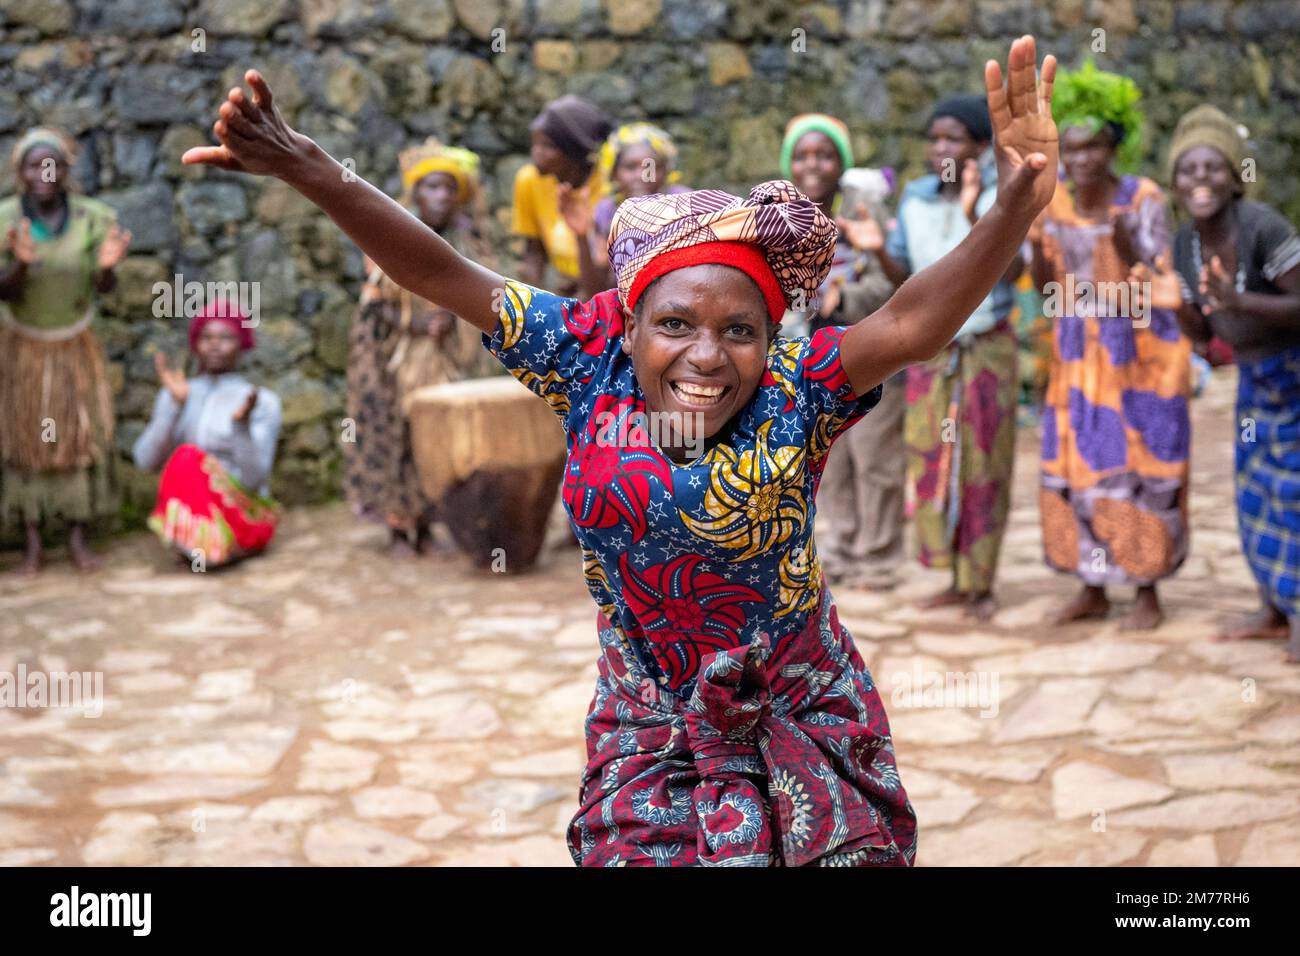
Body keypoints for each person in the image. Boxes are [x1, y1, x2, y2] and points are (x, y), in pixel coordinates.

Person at [183, 34, 1060, 865]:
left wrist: (1017, 200)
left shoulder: (802, 386)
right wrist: (311, 168)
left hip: (796, 706)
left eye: (739, 329)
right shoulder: (582, 360)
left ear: (771, 335)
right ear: (629, 324)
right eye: (675, 324)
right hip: (651, 721)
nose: (708, 356)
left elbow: (911, 321)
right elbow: (441, 271)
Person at [1134, 104, 1300, 661]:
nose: (1200, 180)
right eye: (1188, 170)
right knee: (1254, 492)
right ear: (1175, 183)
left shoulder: (1263, 228)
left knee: (1294, 493)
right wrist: (1177, 303)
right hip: (1255, 381)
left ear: (1235, 177)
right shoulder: (1184, 244)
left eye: (1212, 168)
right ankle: (1274, 607)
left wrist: (1240, 300)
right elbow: (1205, 338)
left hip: (1292, 374)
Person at [1029, 61, 1190, 630]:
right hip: (1076, 353)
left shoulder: (1142, 196)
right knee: (1079, 462)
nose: (1081, 160)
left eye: (1093, 147)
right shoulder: (1055, 202)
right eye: (1071, 150)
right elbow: (1044, 283)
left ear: (1113, 145)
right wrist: (1029, 234)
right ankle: (1091, 584)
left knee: (1141, 460)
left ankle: (1147, 589)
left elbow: (1158, 276)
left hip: (1136, 351)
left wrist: (1123, 245)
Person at [881, 95, 1023, 619]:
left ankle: (980, 584)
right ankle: (952, 578)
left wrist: (974, 215)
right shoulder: (914, 200)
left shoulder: (999, 197)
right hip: (932, 354)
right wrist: (875, 247)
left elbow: (1013, 270)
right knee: (930, 458)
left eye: (954, 138)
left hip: (986, 350)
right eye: (935, 138)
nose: (942, 147)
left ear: (981, 147)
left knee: (984, 462)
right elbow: (903, 277)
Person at [345, 139, 494, 558]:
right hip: (391, 360)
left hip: (441, 359)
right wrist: (415, 324)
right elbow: (374, 305)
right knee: (395, 436)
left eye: (449, 188)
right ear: (415, 193)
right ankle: (398, 527)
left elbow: (484, 296)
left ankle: (428, 524)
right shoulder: (391, 236)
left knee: (434, 437)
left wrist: (453, 319)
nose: (441, 196)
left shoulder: (467, 242)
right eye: (431, 187)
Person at [779, 113, 906, 591]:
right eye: (803, 155)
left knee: (875, 455)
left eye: (825, 154)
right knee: (826, 457)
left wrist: (842, 300)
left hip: (870, 353)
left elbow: (894, 285)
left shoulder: (868, 215)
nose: (813, 164)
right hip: (808, 360)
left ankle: (879, 555)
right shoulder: (779, 226)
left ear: (842, 164)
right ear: (789, 163)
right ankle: (840, 546)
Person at [0, 127, 131, 574]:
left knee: (78, 437)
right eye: (34, 164)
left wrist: (107, 269)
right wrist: (20, 261)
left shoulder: (92, 218)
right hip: (25, 349)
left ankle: (78, 536)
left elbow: (104, 287)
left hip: (75, 345)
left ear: (66, 172)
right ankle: (33, 541)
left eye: (52, 163)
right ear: (20, 172)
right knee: (26, 443)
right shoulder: (5, 220)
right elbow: (4, 291)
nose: (44, 172)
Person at [133, 301, 282, 568]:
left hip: (244, 514)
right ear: (195, 343)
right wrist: (173, 409)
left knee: (188, 457)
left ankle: (213, 547)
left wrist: (241, 428)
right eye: (207, 337)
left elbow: (254, 478)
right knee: (185, 459)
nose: (215, 345)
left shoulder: (262, 401)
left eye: (226, 338)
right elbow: (144, 461)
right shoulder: (177, 393)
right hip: (196, 509)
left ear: (243, 344)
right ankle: (204, 547)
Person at [558, 122, 689, 298]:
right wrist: (581, 237)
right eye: (630, 167)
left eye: (650, 167)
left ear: (666, 171)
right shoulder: (607, 211)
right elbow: (596, 291)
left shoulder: (684, 204)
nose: (641, 175)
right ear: (614, 174)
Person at [511, 94, 612, 298]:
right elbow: (534, 250)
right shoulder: (529, 180)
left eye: (547, 146)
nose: (536, 152)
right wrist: (537, 301)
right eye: (535, 143)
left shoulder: (609, 187)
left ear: (574, 152)